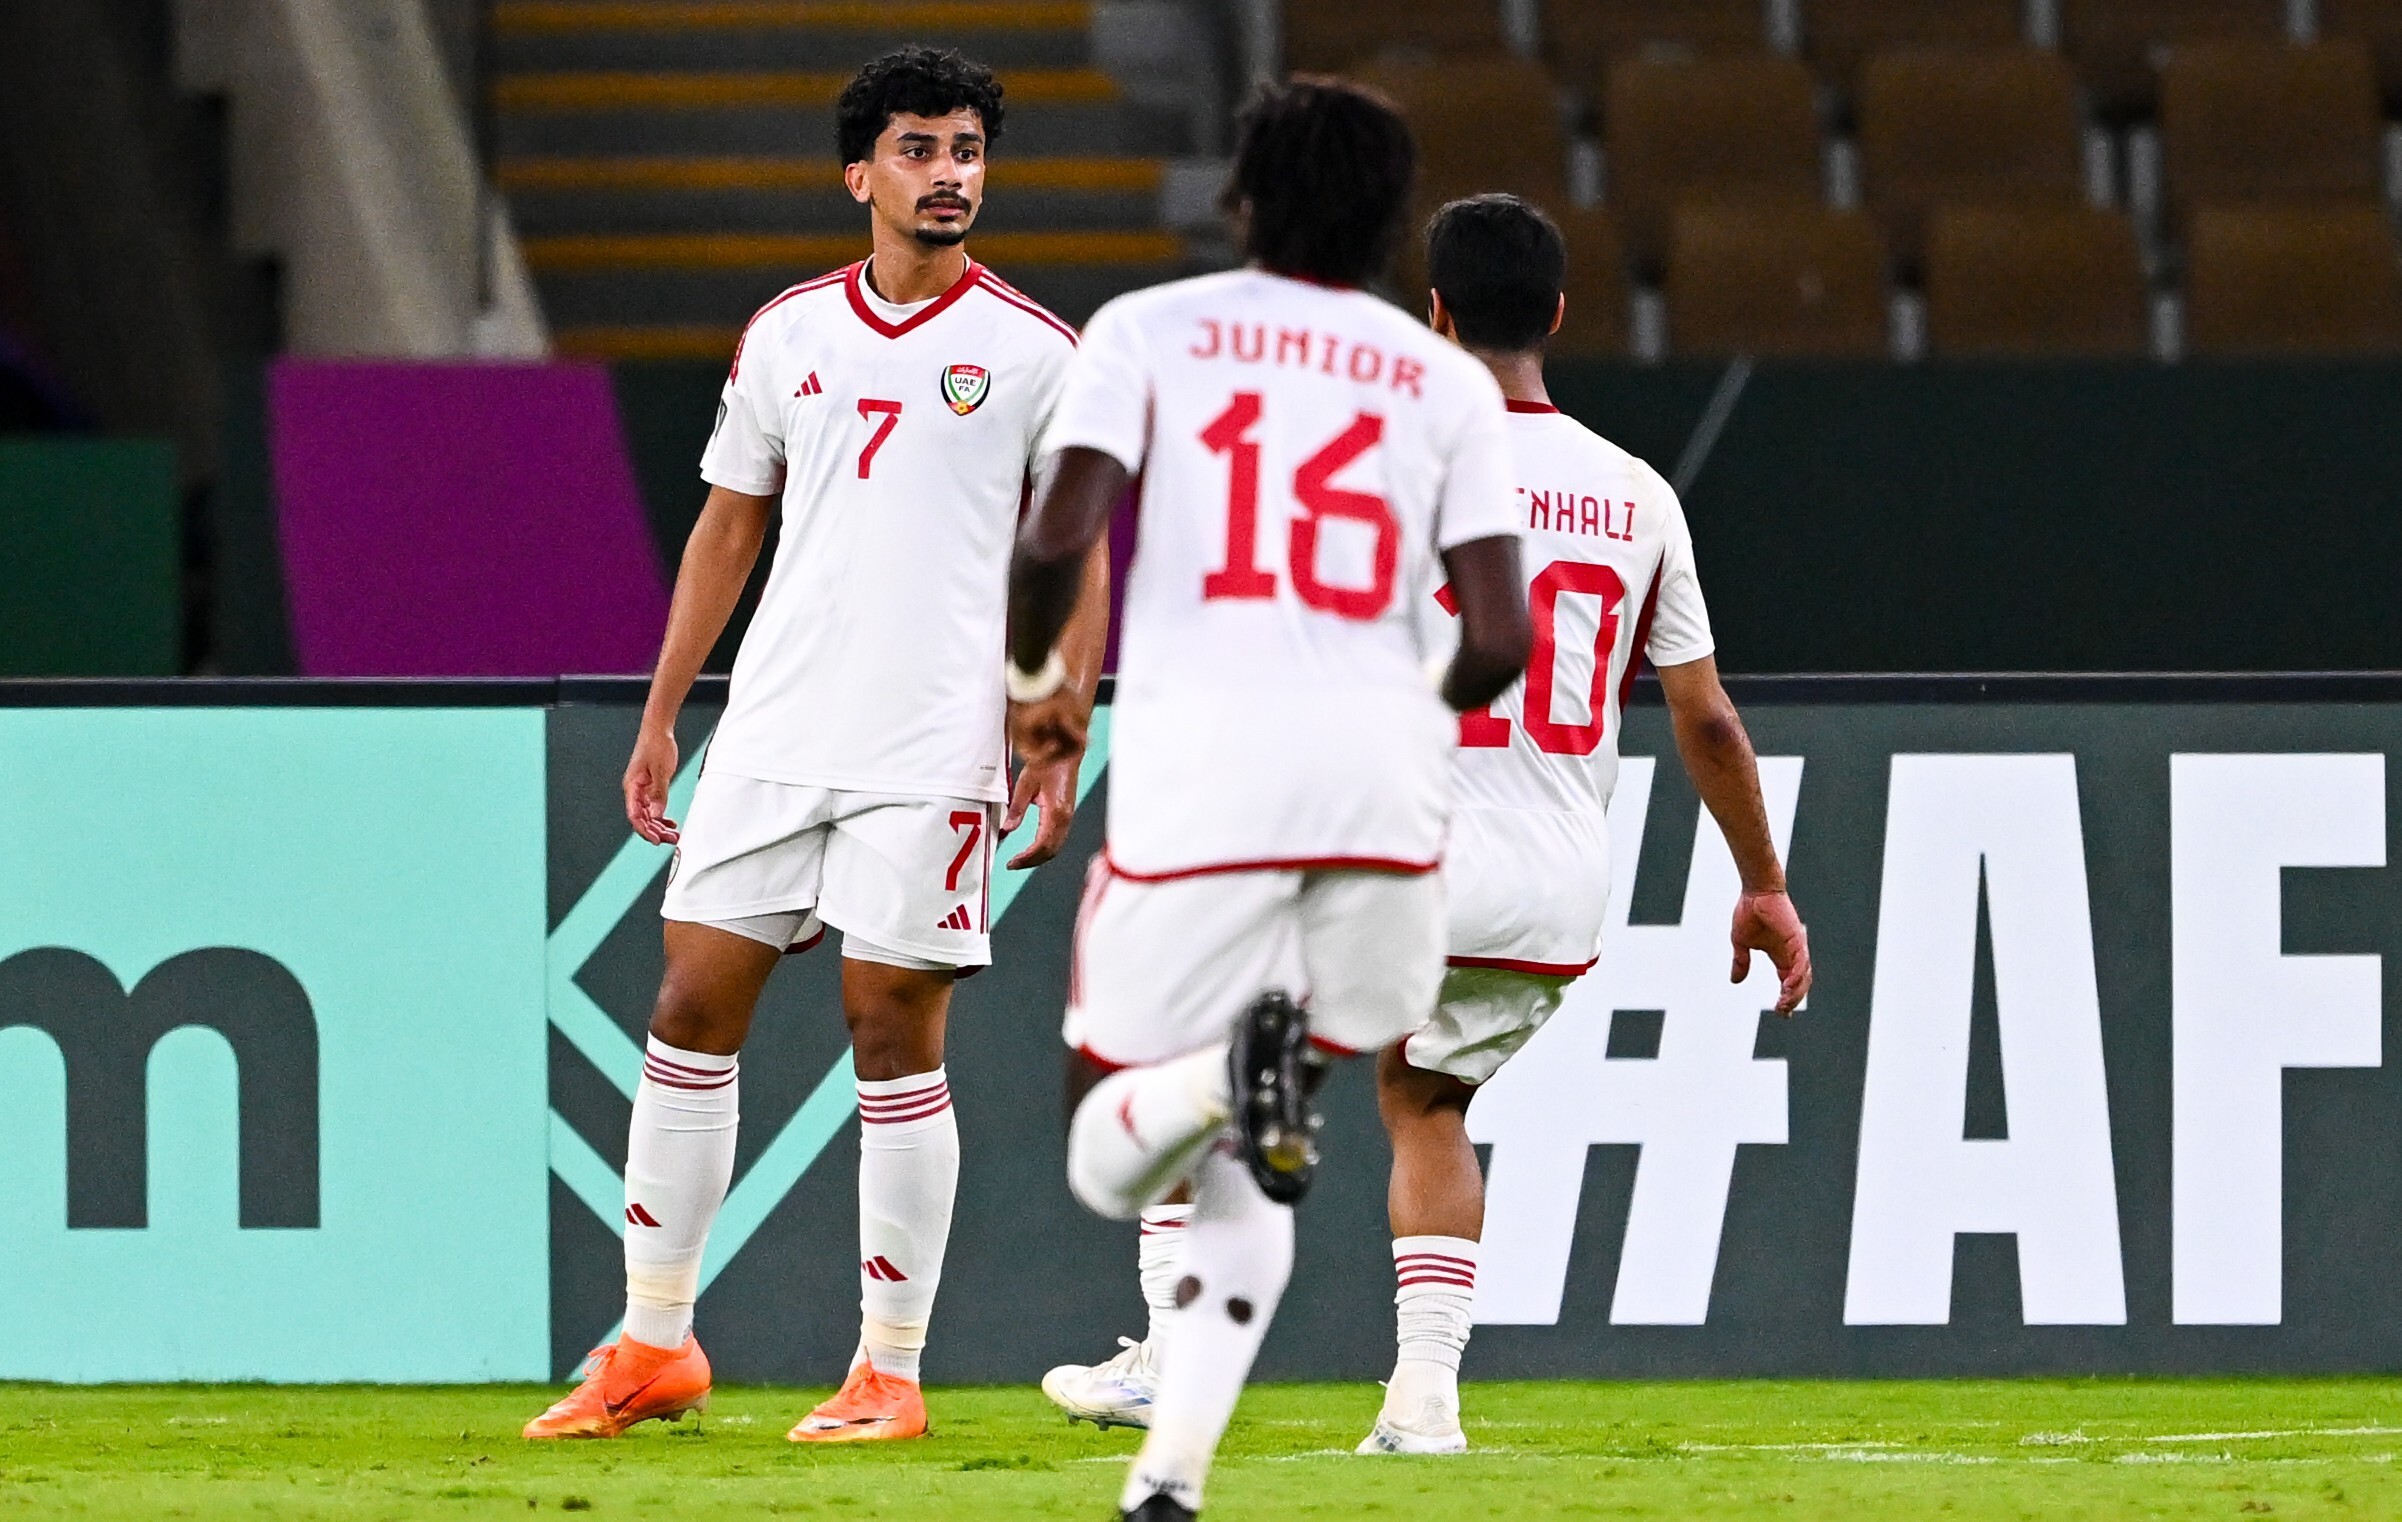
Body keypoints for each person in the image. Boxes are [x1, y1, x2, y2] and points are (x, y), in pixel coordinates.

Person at [1040, 194, 1813, 1458]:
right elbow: (1708, 721)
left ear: (1434, 312)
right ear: (1557, 315)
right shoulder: (1636, 494)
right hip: (1551, 890)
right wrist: (1763, 885)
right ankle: (1421, 1400)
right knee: (1426, 1099)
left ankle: (1172, 1355)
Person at [524, 45, 1108, 1444]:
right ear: (860, 174)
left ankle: (888, 1368)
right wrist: (668, 708)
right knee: (686, 1008)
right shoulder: (787, 333)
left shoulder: (1037, 351)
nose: (949, 174)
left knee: (890, 1030)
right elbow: (732, 520)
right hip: (776, 728)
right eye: (919, 148)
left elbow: (1072, 544)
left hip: (931, 744)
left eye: (967, 149)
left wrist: (1058, 712)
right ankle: (653, 1343)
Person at [1005, 81, 1532, 1522]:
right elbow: (1497, 637)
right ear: (1386, 219)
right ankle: (1165, 1476)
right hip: (1380, 800)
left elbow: (1058, 528)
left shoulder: (1148, 332)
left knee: (1118, 1137)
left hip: (1203, 778)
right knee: (1278, 1116)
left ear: (1241, 196)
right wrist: (1389, 719)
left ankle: (1213, 1082)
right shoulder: (1442, 384)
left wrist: (1032, 672)